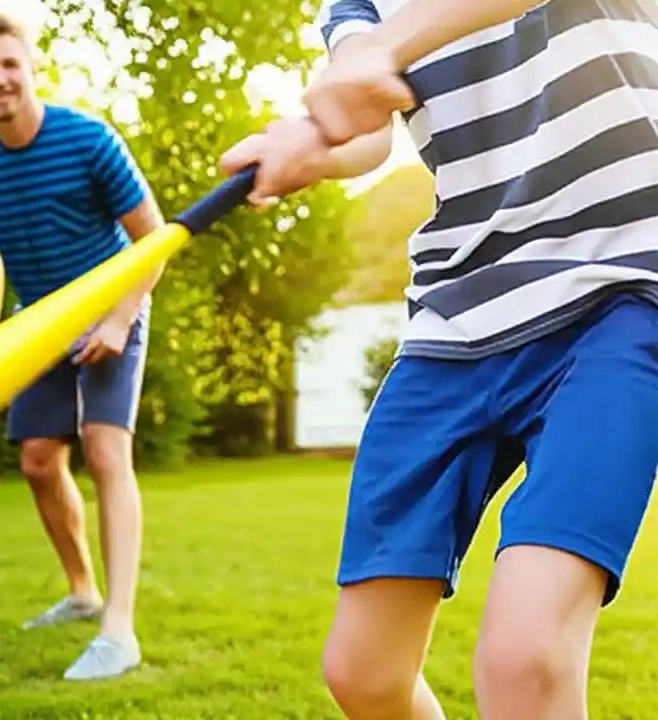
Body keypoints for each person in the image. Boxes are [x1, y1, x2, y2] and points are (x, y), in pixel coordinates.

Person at [219, 0, 658, 717]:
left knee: (527, 662)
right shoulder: (354, 8)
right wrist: (312, 144)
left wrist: (385, 47)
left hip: (620, 284)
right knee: (364, 674)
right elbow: (370, 123)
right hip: (457, 321)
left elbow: (377, 59)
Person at [0, 11, 167, 681]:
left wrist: (117, 321)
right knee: (39, 461)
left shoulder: (88, 140)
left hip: (113, 305)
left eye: (8, 64)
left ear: (31, 67)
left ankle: (119, 631)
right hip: (37, 321)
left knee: (106, 449)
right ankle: (82, 592)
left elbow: (154, 239)